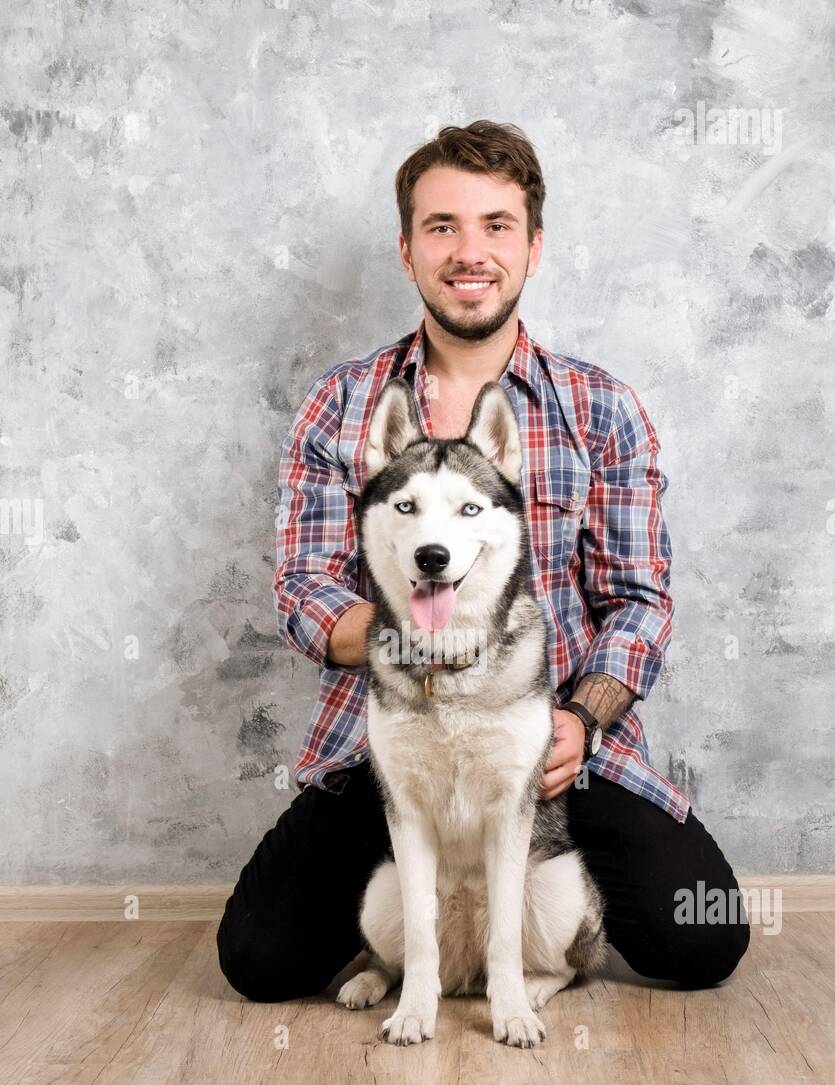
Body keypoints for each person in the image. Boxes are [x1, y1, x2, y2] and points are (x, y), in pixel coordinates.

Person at [217, 120, 750, 1004]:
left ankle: (541, 933)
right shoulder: (342, 404)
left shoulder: (601, 407)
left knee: (704, 938)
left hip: (551, 749)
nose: (471, 252)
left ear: (533, 247)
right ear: (406, 249)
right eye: (443, 227)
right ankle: (413, 935)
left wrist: (576, 722)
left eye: (497, 225)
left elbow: (641, 603)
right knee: (261, 962)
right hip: (389, 747)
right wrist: (411, 644)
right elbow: (304, 588)